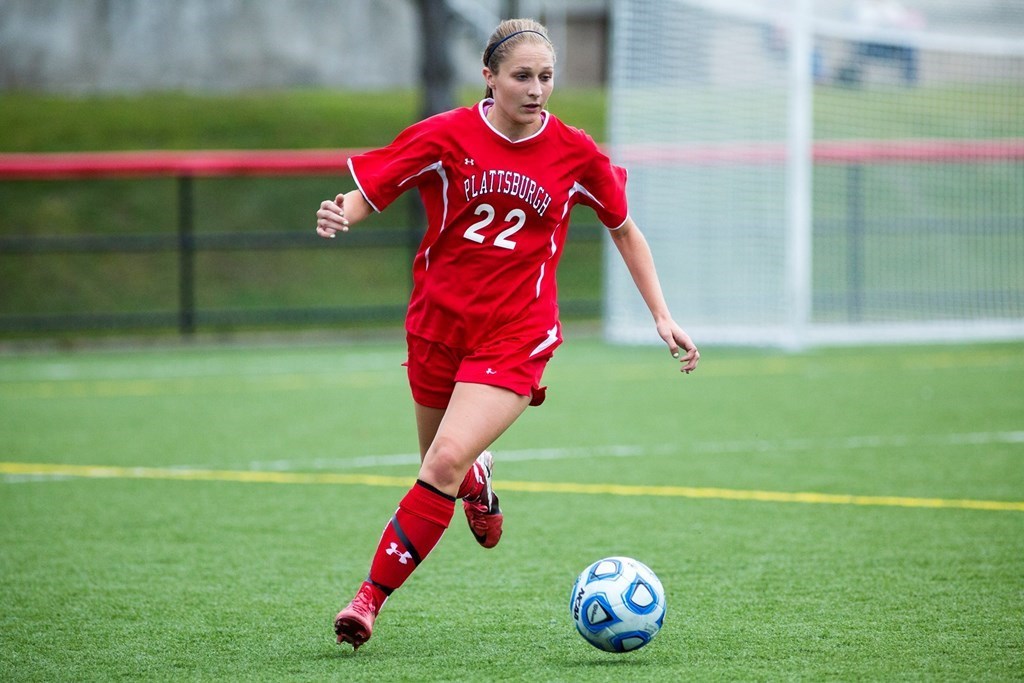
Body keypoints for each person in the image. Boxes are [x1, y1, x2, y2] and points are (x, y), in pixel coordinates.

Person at [315, 17, 699, 650]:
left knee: (441, 459)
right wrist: (343, 211)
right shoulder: (448, 134)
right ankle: (478, 481)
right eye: (522, 76)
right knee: (438, 462)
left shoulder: (575, 152)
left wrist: (660, 313)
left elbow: (624, 228)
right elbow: (374, 187)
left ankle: (368, 600)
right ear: (489, 77)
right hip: (438, 325)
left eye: (546, 77)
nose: (536, 89)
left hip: (516, 334)